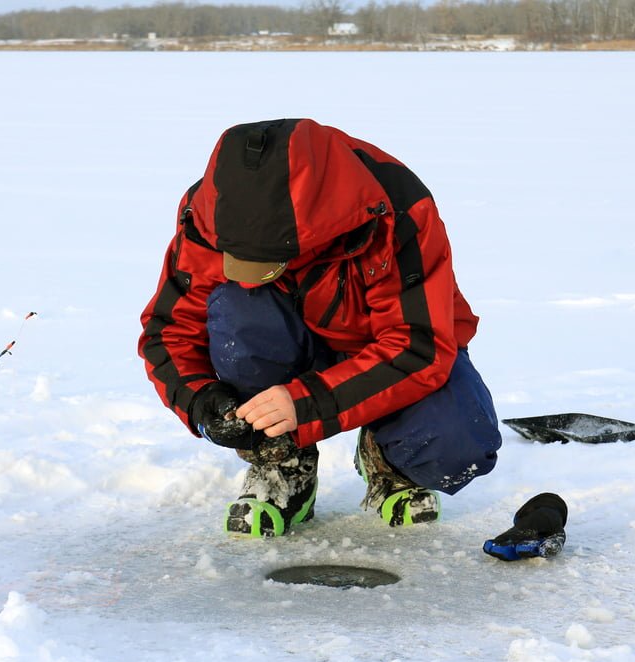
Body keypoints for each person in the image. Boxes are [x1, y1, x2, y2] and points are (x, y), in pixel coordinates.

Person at [138, 118, 504, 539]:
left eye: (267, 263)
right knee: (239, 305)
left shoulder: (397, 208)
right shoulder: (210, 216)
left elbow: (418, 346)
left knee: (457, 445)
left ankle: (389, 463)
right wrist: (200, 401)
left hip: (387, 351)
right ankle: (282, 465)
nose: (246, 270)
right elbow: (169, 331)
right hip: (285, 343)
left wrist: (307, 405)